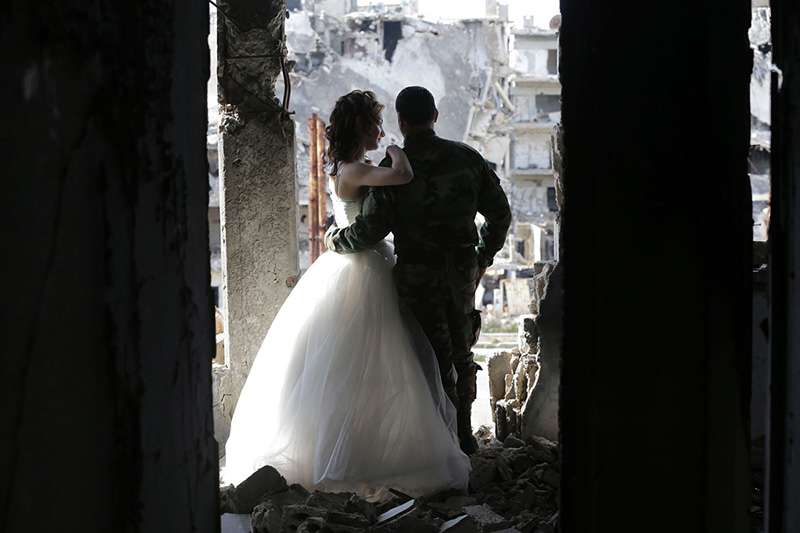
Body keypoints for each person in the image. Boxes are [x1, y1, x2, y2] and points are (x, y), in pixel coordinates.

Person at [223, 90, 470, 501]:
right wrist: (396, 149)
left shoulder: (351, 166)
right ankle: (353, 457)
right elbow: (404, 176)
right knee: (360, 365)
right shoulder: (354, 170)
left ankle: (366, 450)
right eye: (376, 122)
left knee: (370, 368)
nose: (382, 130)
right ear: (360, 127)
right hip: (361, 269)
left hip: (363, 264)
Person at [325, 86, 512, 454]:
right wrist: (481, 257)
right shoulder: (467, 158)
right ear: (436, 116)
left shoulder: (392, 170)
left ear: (401, 121)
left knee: (426, 352)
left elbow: (371, 230)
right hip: (460, 271)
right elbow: (499, 215)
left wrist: (335, 241)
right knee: (462, 348)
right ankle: (464, 435)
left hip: (415, 274)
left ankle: (437, 439)